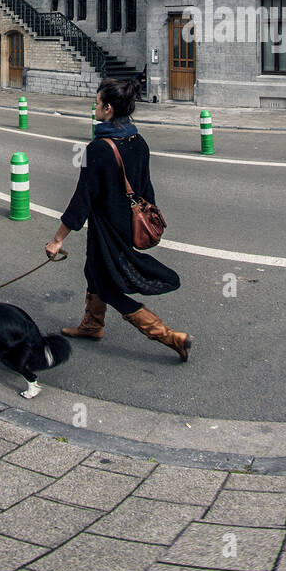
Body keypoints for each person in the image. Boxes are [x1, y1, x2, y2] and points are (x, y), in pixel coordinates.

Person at [45, 78, 192, 361]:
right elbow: (146, 188)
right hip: (128, 226)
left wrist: (57, 239)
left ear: (109, 108)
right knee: (95, 272)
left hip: (106, 230)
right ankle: (92, 325)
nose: (95, 106)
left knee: (109, 287)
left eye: (98, 102)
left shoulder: (99, 149)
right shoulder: (139, 141)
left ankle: (170, 337)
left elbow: (82, 200)